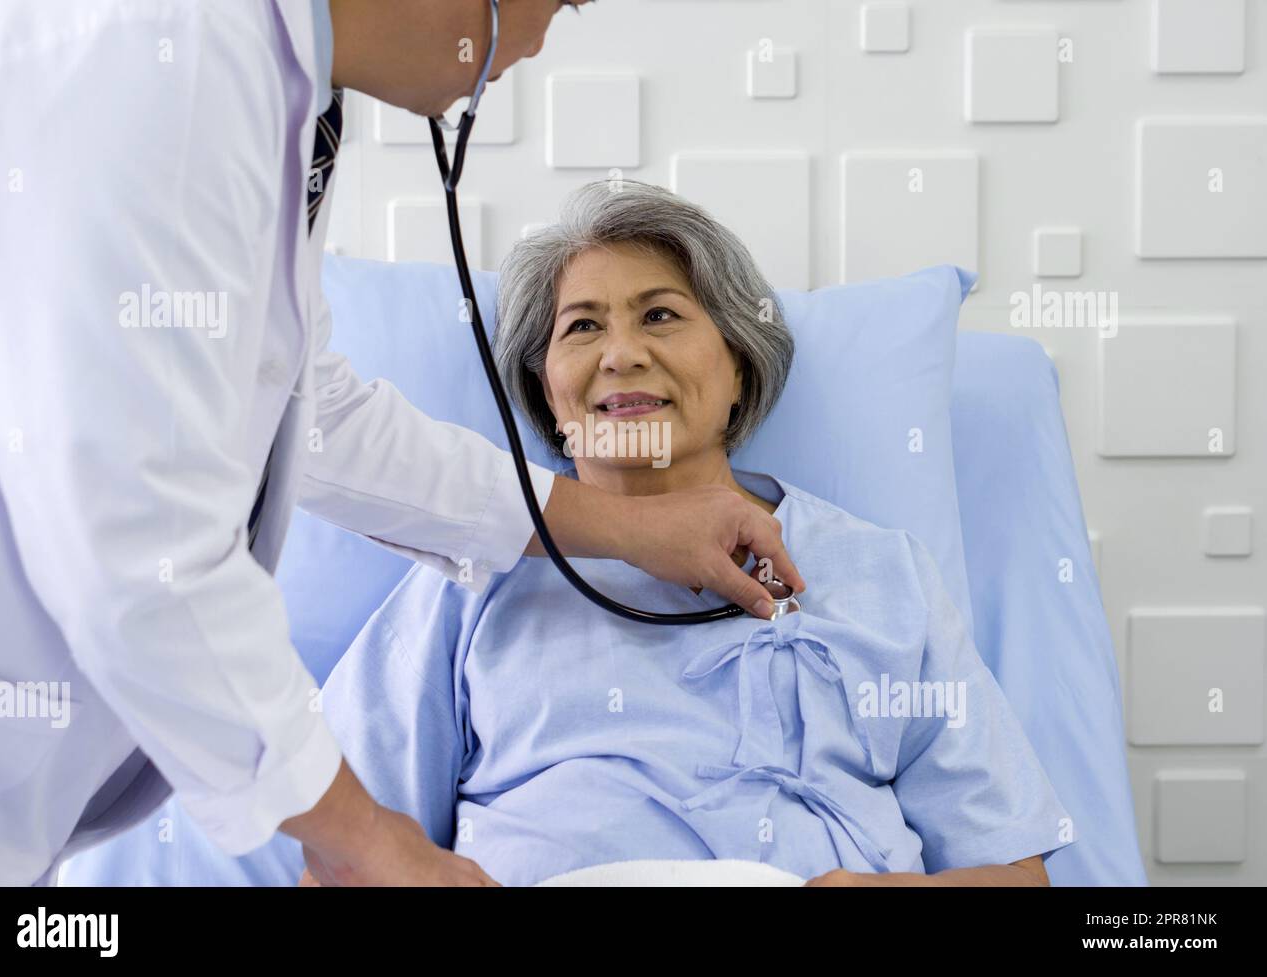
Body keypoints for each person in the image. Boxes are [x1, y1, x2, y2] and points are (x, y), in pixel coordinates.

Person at [0, 0, 802, 886]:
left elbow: (308, 409)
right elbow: (135, 537)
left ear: (744, 365)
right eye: (554, 5)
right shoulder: (167, 50)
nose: (535, 44)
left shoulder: (285, 98)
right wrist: (360, 836)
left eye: (663, 315)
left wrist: (626, 528)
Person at [311, 181, 1075, 886]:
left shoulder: (883, 573)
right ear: (549, 396)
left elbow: (1013, 873)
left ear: (739, 363)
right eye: (582, 326)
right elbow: (337, 862)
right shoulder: (470, 571)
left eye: (660, 315)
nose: (622, 354)